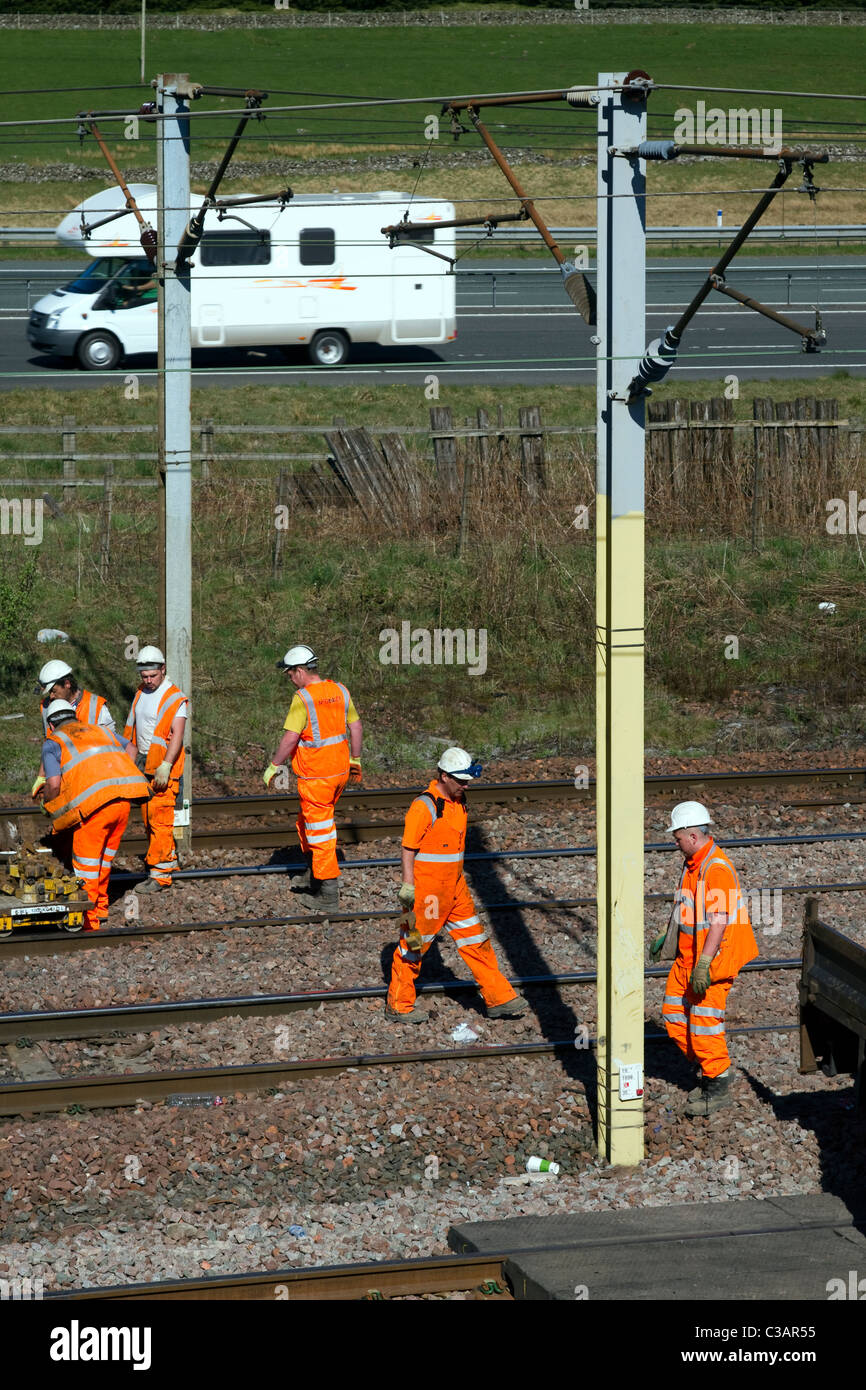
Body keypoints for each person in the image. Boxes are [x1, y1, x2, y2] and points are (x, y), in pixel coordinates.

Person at [386, 747, 525, 1023]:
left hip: (455, 890)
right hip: (428, 895)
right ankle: (399, 1005)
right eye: (460, 780)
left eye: (467, 781)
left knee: (476, 941)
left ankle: (499, 998)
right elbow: (407, 849)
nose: (465, 785)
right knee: (412, 947)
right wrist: (408, 886)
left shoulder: (459, 801)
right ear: (444, 775)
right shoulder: (423, 806)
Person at [652, 801, 758, 1117]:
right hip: (687, 960)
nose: (674, 841)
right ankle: (709, 1069)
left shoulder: (717, 869)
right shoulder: (693, 863)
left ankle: (718, 1084)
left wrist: (704, 964)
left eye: (678, 836)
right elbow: (687, 909)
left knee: (704, 1027)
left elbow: (719, 921)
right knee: (673, 1014)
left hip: (710, 964)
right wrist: (667, 935)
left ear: (694, 836)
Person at [263, 644, 362, 913]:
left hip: (318, 776)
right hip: (339, 772)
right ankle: (314, 873)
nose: (289, 679)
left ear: (299, 671)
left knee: (320, 834)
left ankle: (328, 893)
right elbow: (355, 726)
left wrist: (274, 765)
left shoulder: (303, 698)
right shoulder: (340, 690)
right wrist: (356, 758)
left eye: (289, 674)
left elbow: (290, 738)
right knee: (308, 822)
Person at [41, 699, 149, 931]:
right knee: (103, 861)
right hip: (121, 804)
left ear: (51, 724)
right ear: (74, 715)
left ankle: (88, 921)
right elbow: (131, 748)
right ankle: (100, 908)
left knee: (86, 867)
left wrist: (48, 802)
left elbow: (53, 782)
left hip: (95, 810)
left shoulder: (53, 742)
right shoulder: (100, 730)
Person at [122, 645, 187, 894]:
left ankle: (160, 877)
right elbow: (134, 731)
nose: (148, 681)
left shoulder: (175, 698)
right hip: (144, 764)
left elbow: (177, 735)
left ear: (163, 669)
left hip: (162, 767)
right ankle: (163, 867)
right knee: (151, 821)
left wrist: (166, 765)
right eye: (144, 676)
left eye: (152, 676)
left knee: (160, 821)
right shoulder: (140, 693)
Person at [31, 659, 115, 802]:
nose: (51, 696)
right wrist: (42, 776)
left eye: (54, 691)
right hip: (62, 783)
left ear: (67, 684)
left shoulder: (95, 706)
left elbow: (111, 749)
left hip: (93, 782)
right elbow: (50, 744)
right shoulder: (47, 707)